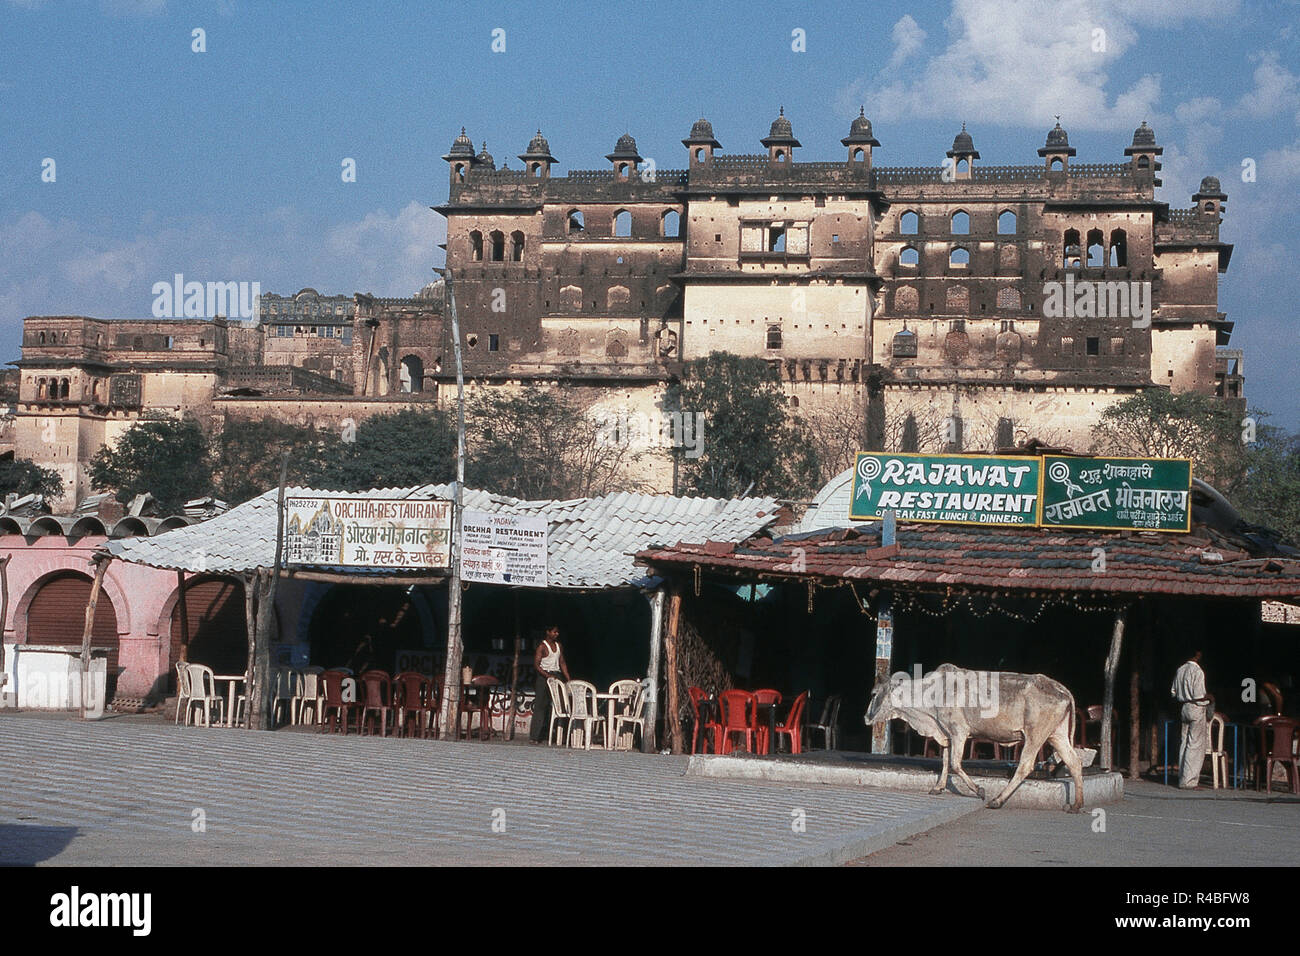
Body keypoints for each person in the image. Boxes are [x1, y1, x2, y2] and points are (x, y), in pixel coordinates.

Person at [1171, 650, 1213, 789]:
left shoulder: (1180, 670)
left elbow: (1173, 692)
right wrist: (1209, 697)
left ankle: (1182, 777)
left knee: (1185, 743)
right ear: (1198, 655)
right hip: (1195, 708)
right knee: (1194, 745)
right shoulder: (1198, 671)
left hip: (1184, 707)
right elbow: (1199, 695)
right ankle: (1189, 781)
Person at [528, 626, 570, 744]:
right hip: (544, 677)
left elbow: (562, 662)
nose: (556, 634)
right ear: (548, 632)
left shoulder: (559, 646)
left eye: (557, 632)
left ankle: (562, 735)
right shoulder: (542, 647)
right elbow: (537, 665)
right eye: (554, 632)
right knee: (541, 706)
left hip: (556, 675)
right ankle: (534, 736)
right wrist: (547, 676)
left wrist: (568, 679)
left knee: (561, 704)